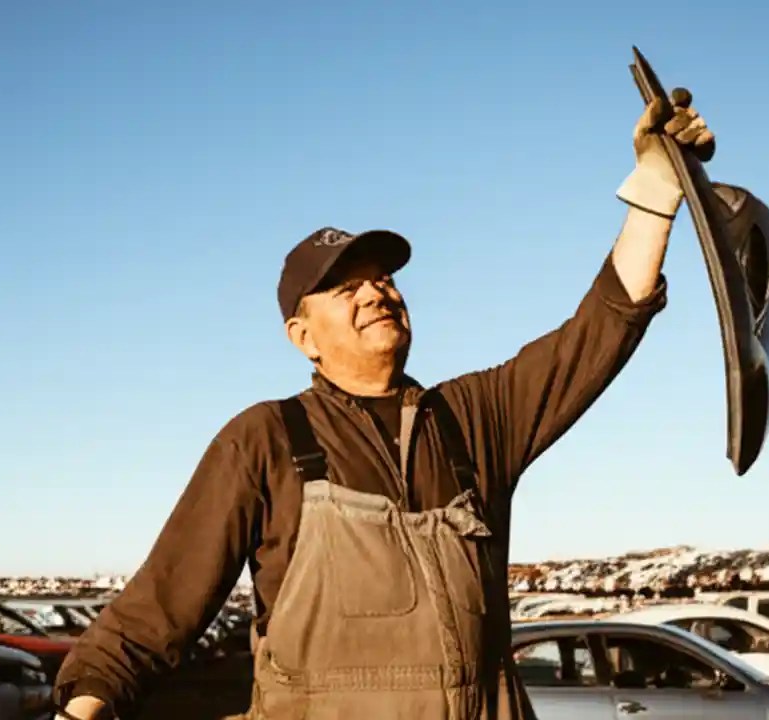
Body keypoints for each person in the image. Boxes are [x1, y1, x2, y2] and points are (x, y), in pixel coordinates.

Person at [54, 90, 718, 719]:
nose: (375, 291)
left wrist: (657, 191)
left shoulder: (473, 418)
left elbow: (598, 330)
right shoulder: (264, 438)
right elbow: (158, 606)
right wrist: (86, 702)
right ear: (303, 336)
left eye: (384, 277)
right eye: (344, 287)